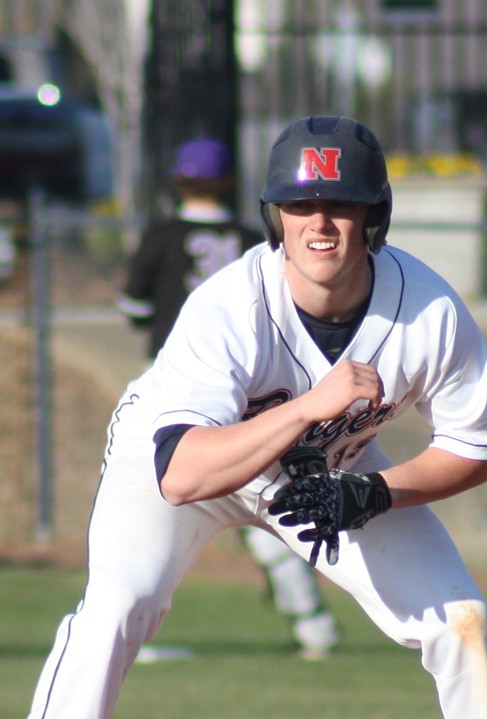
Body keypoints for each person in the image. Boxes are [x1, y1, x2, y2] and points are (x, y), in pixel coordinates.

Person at [0, 115, 487, 719]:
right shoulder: (229, 304)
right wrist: (312, 405)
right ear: (274, 215)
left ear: (375, 214)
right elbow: (180, 473)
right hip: (175, 456)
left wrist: (373, 491)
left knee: (467, 620)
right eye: (300, 205)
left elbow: (480, 447)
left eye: (341, 203)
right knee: (113, 611)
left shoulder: (428, 310)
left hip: (324, 474)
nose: (320, 223)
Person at [119, 137, 339, 660]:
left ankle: (128, 628)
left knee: (146, 507)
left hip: (178, 388)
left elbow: (134, 309)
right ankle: (313, 623)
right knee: (266, 502)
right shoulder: (250, 237)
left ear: (178, 180)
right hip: (252, 387)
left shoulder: (164, 236)